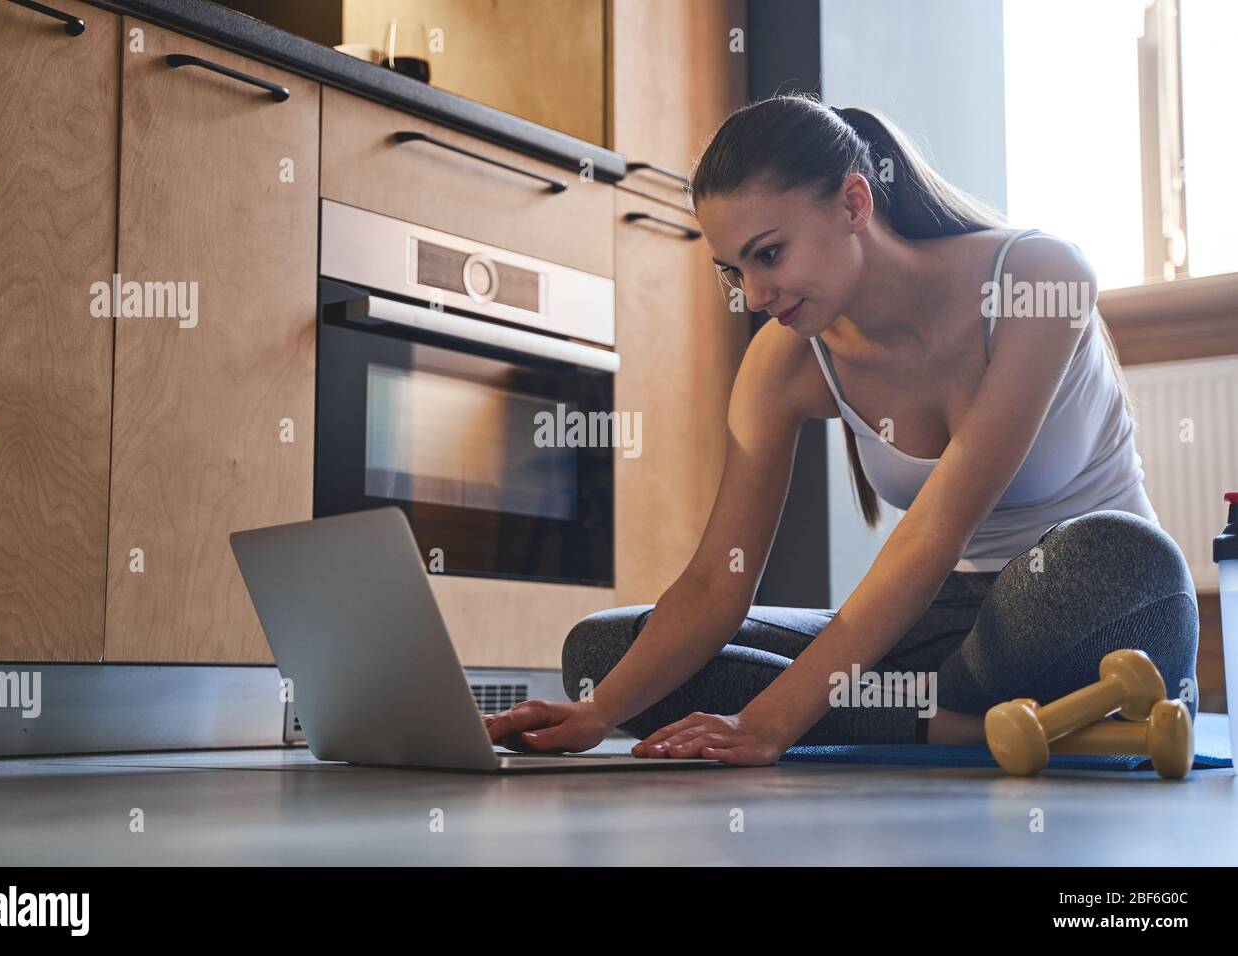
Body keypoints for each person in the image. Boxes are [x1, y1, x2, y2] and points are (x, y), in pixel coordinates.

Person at [483, 94, 1199, 767]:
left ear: (855, 202)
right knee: (601, 657)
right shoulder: (786, 361)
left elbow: (932, 535)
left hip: (1091, 609)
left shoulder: (1041, 277)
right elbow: (714, 582)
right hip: (944, 626)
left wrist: (770, 719)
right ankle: (997, 725)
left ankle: (944, 716)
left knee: (1113, 558)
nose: (755, 296)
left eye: (769, 254)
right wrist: (601, 711)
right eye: (732, 271)